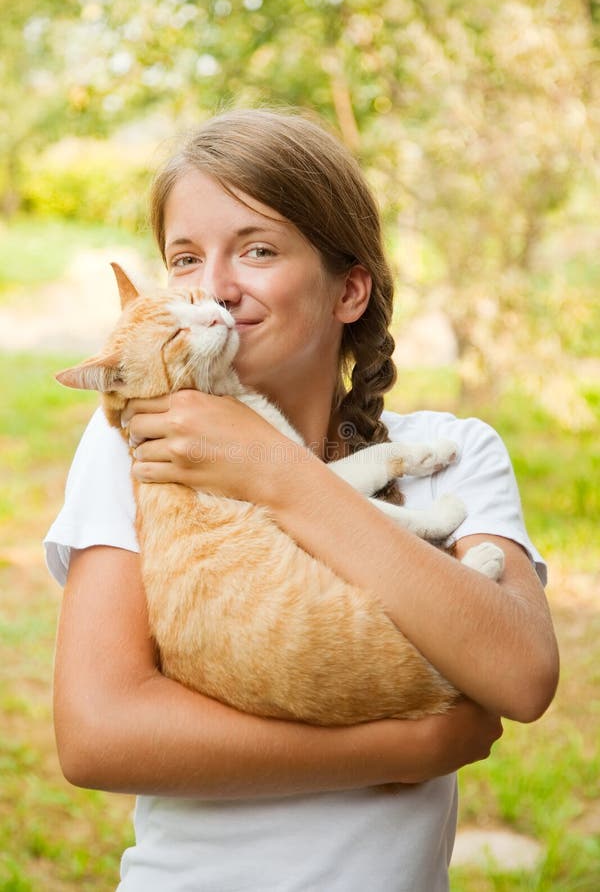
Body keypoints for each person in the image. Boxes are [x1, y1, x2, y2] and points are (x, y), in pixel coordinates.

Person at [45, 108, 559, 892]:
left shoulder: (450, 452)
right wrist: (403, 747)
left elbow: (520, 676)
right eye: (184, 259)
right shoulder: (142, 443)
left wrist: (275, 472)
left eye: (257, 249)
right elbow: (96, 737)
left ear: (348, 289)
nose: (215, 288)